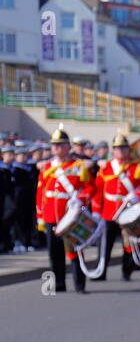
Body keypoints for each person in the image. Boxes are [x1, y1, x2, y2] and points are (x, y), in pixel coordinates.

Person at [36, 126, 94, 294]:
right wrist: (40, 215)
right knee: (54, 253)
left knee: (75, 251)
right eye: (54, 145)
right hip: (50, 216)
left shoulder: (79, 166)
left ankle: (79, 284)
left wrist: (80, 199)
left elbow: (91, 189)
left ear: (68, 147)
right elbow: (41, 193)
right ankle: (59, 283)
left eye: (60, 145)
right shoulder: (47, 167)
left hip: (71, 216)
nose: (56, 148)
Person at [91, 131, 140, 281]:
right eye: (117, 148)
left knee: (129, 242)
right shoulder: (106, 167)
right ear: (113, 150)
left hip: (129, 211)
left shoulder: (138, 167)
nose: (120, 151)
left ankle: (127, 271)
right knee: (105, 243)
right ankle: (101, 272)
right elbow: (98, 190)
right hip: (109, 211)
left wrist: (138, 196)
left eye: (123, 148)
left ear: (128, 149)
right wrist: (96, 210)